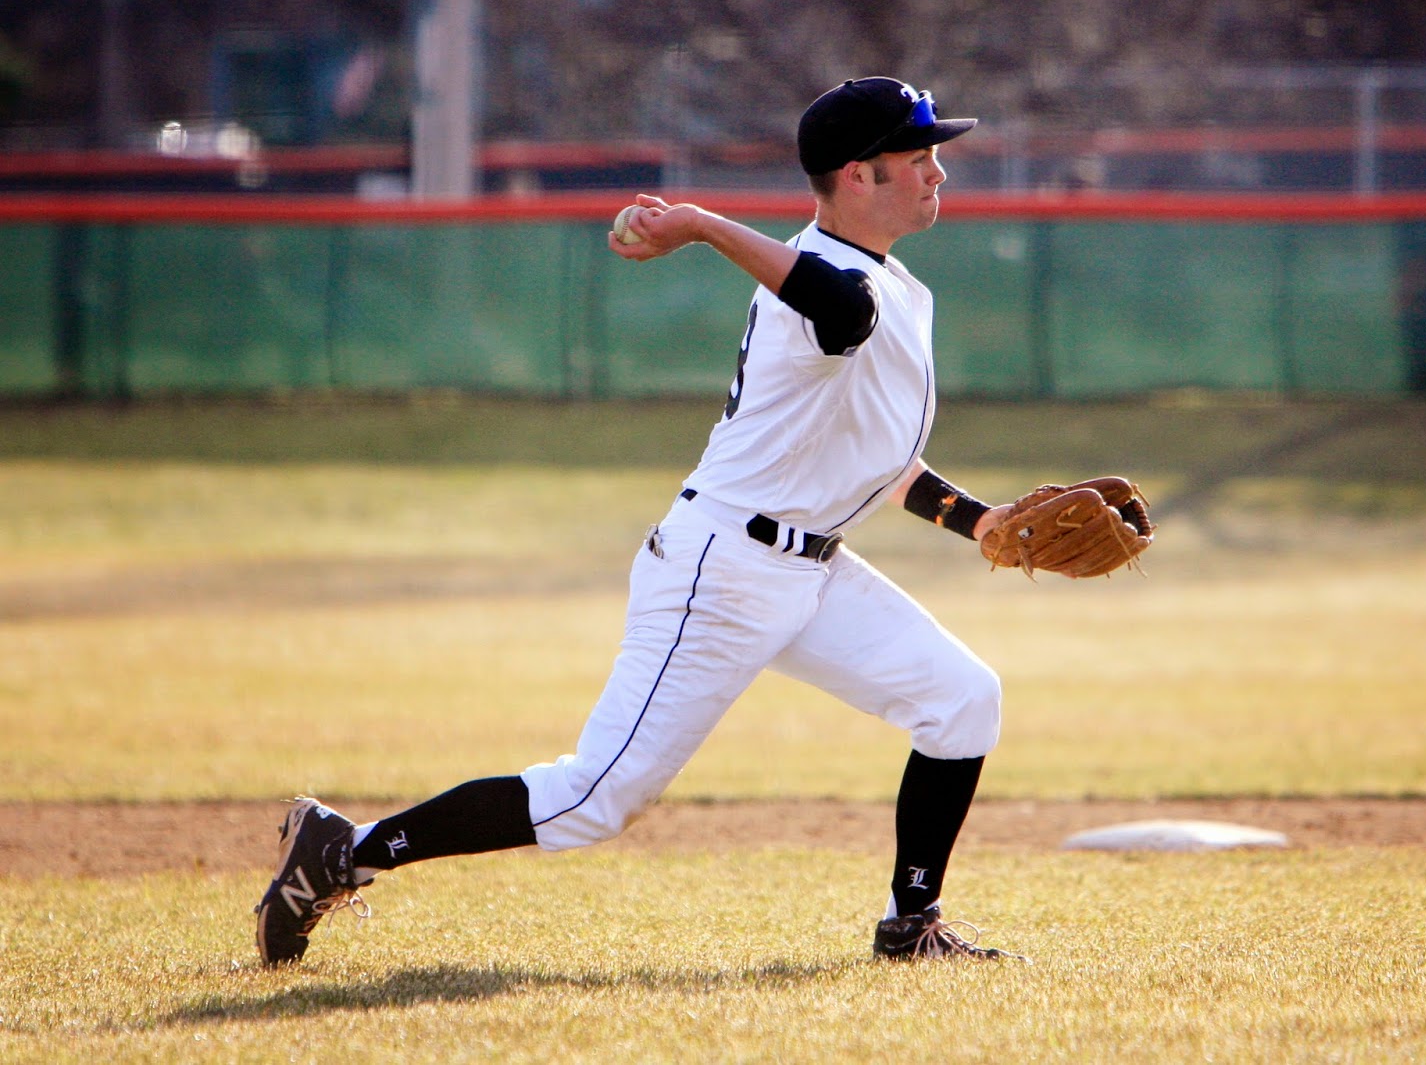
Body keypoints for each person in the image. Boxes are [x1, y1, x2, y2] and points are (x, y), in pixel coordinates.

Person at [255, 76, 1027, 966]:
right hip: (723, 570)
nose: (938, 172)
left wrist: (978, 521)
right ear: (858, 175)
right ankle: (340, 854)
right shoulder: (822, 287)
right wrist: (698, 224)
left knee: (962, 698)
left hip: (810, 569)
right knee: (593, 801)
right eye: (919, 156)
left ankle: (910, 925)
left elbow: (878, 459)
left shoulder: (892, 286)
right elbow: (835, 307)